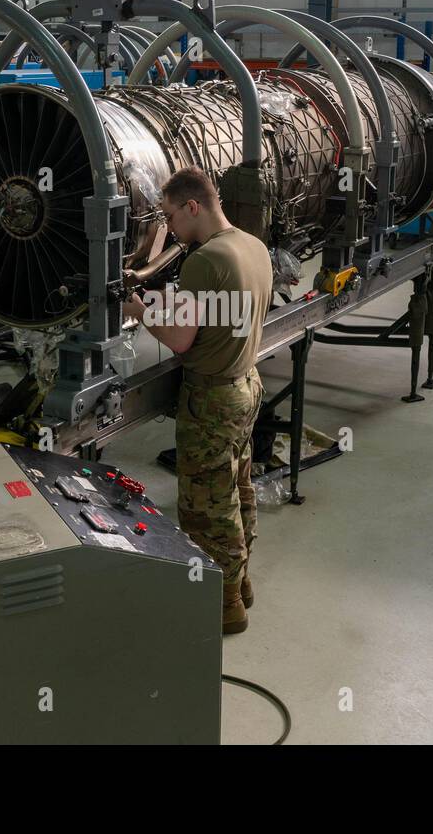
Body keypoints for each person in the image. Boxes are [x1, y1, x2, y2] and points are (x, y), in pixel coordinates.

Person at [123, 167, 272, 634]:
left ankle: (225, 602)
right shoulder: (253, 245)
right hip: (246, 382)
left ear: (193, 206)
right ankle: (241, 580)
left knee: (207, 505)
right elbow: (221, 312)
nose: (168, 229)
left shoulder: (203, 261)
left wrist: (140, 311)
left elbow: (183, 340)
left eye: (170, 217)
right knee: (239, 486)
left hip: (211, 398)